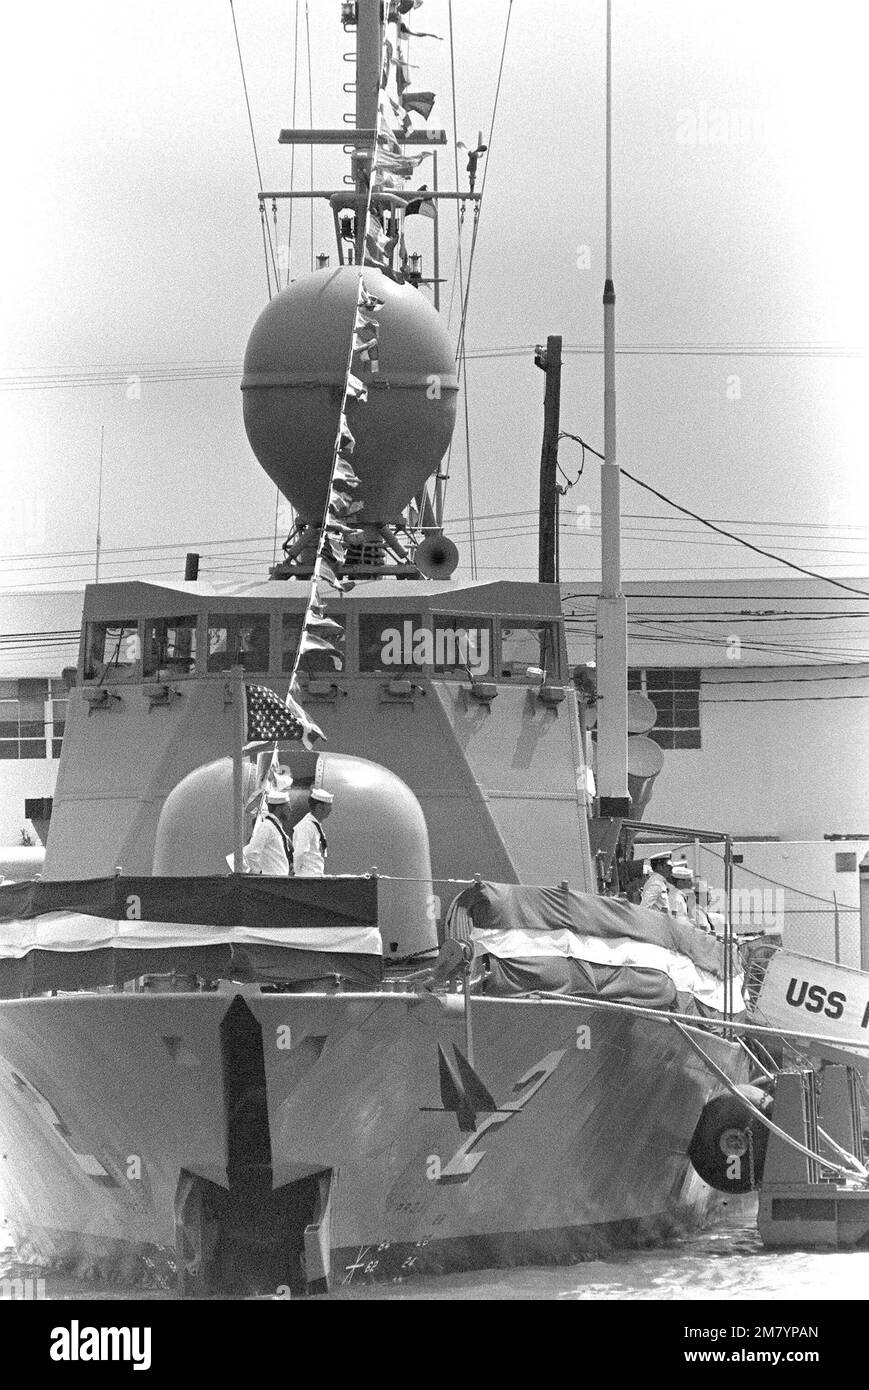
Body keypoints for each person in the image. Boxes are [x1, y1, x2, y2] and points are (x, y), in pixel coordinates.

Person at [245, 786, 294, 876]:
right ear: (279, 809)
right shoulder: (267, 827)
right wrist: (261, 875)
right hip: (272, 882)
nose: (290, 810)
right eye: (287, 807)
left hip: (279, 880)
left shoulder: (276, 828)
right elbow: (250, 853)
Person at [292, 788, 334, 877]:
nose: (330, 810)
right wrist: (298, 874)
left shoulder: (314, 825)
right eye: (328, 806)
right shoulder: (306, 826)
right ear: (319, 807)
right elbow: (300, 852)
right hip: (307, 877)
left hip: (314, 875)